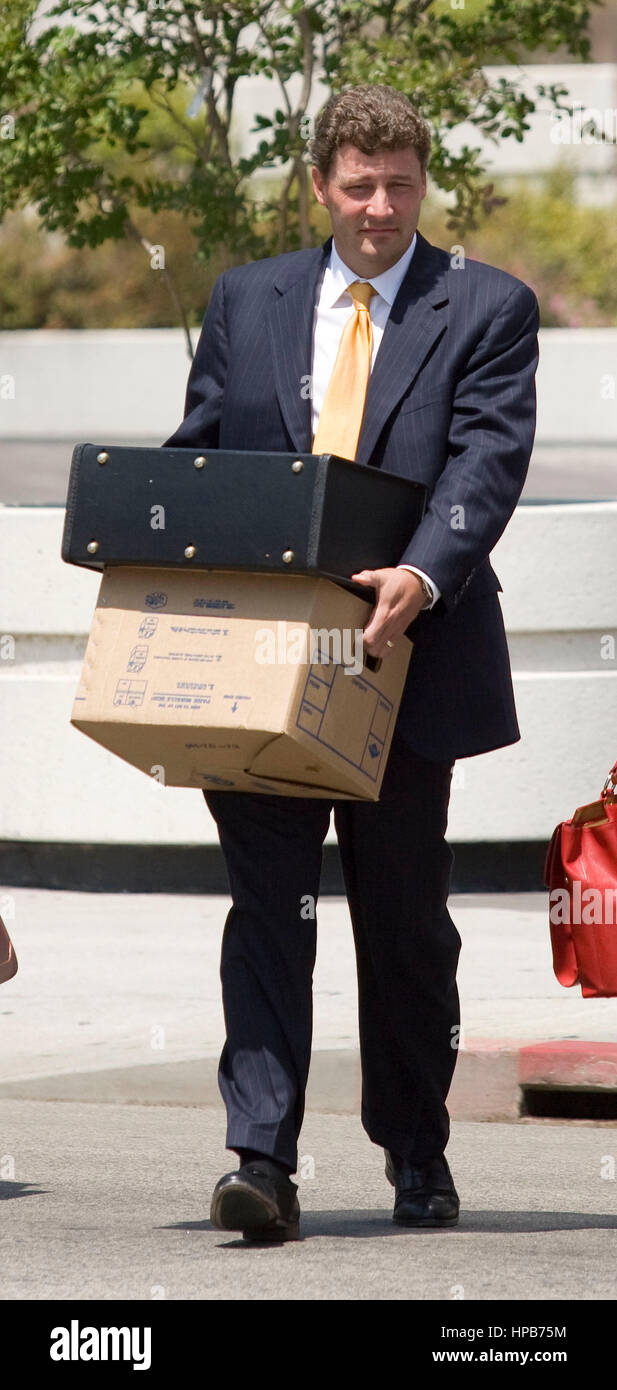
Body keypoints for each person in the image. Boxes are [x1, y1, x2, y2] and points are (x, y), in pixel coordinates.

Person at [163, 84, 539, 1242]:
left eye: (400, 183)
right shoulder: (246, 297)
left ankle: (415, 1151)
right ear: (319, 185)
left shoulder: (484, 305)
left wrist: (420, 575)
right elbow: (202, 455)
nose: (381, 206)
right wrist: (159, 566)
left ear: (423, 183)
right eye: (359, 185)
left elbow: (488, 457)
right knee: (267, 911)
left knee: (403, 920)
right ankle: (260, 1162)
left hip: (409, 663)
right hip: (265, 665)